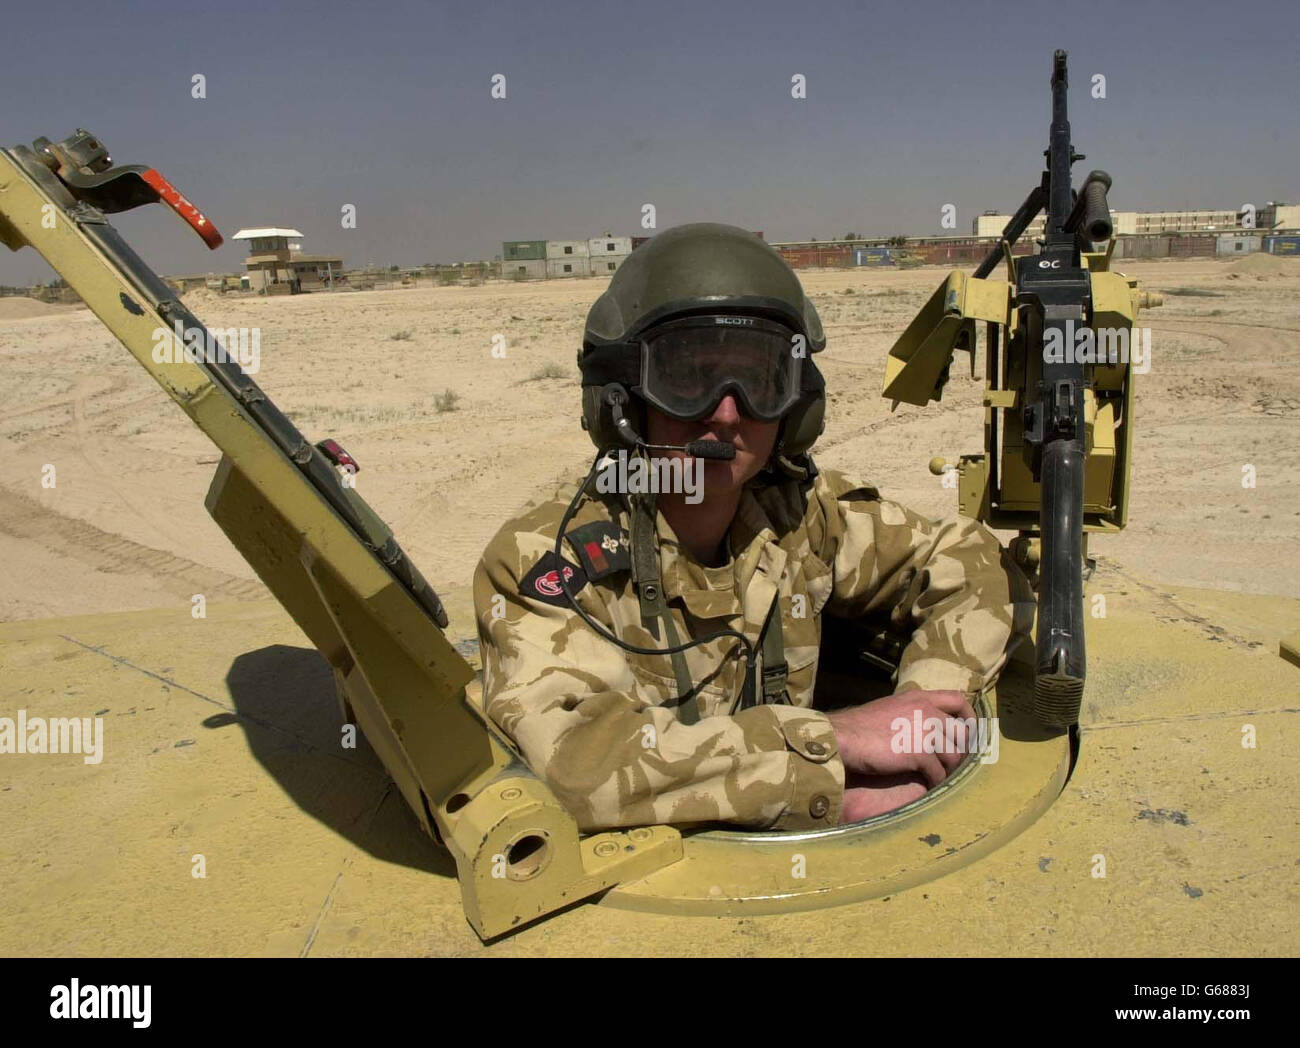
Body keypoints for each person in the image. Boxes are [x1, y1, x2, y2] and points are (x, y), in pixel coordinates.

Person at [473, 223, 1034, 832]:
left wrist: (919, 716)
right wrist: (828, 760)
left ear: (797, 408)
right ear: (623, 400)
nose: (726, 412)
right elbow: (581, 768)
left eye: (757, 379)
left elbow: (970, 561)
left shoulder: (800, 515)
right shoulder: (546, 559)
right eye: (688, 377)